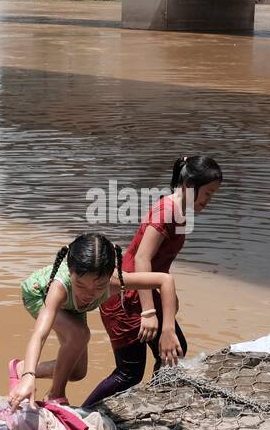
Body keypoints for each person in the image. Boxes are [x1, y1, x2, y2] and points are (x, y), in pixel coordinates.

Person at [84, 156, 224, 407]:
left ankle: (156, 401)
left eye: (212, 195)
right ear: (189, 185)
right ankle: (83, 411)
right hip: (127, 296)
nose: (208, 201)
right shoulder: (165, 213)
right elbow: (142, 258)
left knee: (173, 349)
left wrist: (167, 298)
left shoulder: (182, 213)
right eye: (207, 194)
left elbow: (161, 260)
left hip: (146, 289)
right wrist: (150, 312)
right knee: (129, 373)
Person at [9, 232, 181, 407]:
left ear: (109, 276)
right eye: (81, 285)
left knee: (77, 372)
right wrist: (28, 378)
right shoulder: (59, 287)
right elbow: (40, 333)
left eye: (99, 287)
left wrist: (168, 330)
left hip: (73, 307)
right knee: (80, 334)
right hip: (38, 295)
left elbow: (165, 281)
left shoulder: (116, 282)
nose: (89, 294)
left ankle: (20, 368)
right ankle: (55, 395)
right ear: (70, 271)